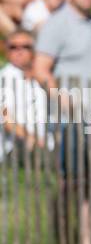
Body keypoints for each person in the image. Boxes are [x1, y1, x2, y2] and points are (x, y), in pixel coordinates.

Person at [0, 29, 49, 159]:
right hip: (15, 147)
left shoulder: (39, 76)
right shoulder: (5, 77)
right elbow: (4, 116)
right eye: (13, 47)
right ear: (7, 50)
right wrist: (29, 138)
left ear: (33, 50)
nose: (19, 51)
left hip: (45, 143)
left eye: (25, 47)